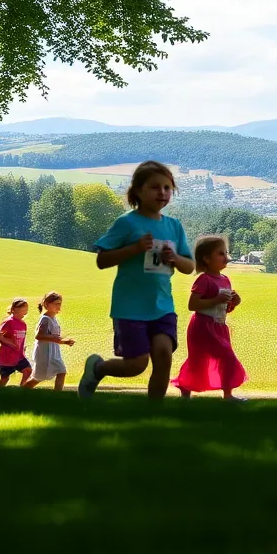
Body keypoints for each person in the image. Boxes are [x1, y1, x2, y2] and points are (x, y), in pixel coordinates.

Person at [80, 161, 194, 400]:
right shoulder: (127, 223)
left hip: (162, 306)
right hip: (130, 307)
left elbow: (189, 266)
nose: (162, 193)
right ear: (138, 191)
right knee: (137, 365)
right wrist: (135, 248)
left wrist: (174, 258)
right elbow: (102, 260)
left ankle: (153, 413)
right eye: (155, 187)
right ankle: (98, 368)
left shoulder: (174, 226)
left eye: (167, 188)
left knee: (164, 356)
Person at [171, 235, 248, 401]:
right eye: (220, 253)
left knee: (221, 358)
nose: (225, 256)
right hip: (202, 326)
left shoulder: (225, 280)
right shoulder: (204, 279)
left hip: (219, 326)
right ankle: (190, 387)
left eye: (225, 252)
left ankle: (226, 394)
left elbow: (223, 308)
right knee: (206, 360)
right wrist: (216, 300)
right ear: (206, 259)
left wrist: (234, 301)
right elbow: (193, 305)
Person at [28, 291, 74, 391]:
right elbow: (39, 336)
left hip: (53, 353)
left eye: (60, 303)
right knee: (38, 378)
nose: (59, 306)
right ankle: (21, 391)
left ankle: (57, 396)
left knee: (61, 372)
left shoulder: (54, 319)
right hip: (45, 353)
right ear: (47, 305)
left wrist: (65, 342)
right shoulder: (45, 319)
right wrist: (53, 337)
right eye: (56, 303)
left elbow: (54, 338)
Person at [0, 298, 33, 388]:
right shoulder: (9, 322)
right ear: (14, 309)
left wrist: (22, 347)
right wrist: (10, 344)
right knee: (5, 379)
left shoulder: (23, 324)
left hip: (19, 356)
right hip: (7, 356)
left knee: (28, 370)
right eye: (23, 309)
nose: (25, 312)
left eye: (26, 310)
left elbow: (21, 338)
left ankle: (22, 391)